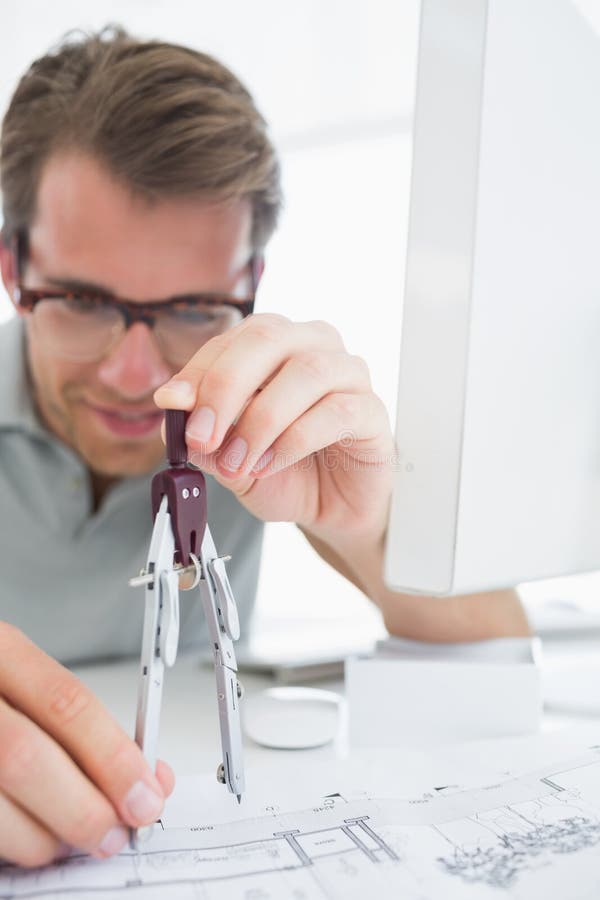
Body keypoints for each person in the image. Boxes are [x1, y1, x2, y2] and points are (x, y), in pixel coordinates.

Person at [0, 27, 530, 867]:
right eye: (82, 301)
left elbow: (501, 663)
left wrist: (368, 526)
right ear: (11, 270)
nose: (137, 374)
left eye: (191, 308)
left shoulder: (263, 423)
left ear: (249, 288)